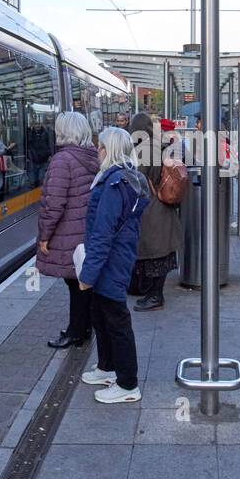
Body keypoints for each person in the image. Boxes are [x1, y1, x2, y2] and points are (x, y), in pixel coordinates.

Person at [78, 127, 150, 404]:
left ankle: (128, 384)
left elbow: (103, 232)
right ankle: (106, 367)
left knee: (116, 320)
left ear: (110, 150)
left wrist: (88, 274)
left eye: (100, 147)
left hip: (110, 261)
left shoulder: (114, 183)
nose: (97, 152)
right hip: (115, 258)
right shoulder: (126, 178)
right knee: (101, 314)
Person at [37, 112, 102, 348]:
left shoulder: (62, 160)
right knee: (81, 282)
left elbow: (54, 203)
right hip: (86, 230)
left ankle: (76, 332)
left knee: (74, 283)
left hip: (68, 233)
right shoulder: (92, 155)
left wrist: (45, 236)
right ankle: (83, 327)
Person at [128, 112, 183, 311]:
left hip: (152, 209)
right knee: (161, 253)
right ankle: (152, 293)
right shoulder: (158, 144)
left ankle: (155, 295)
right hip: (162, 205)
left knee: (154, 254)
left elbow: (138, 179)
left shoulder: (144, 149)